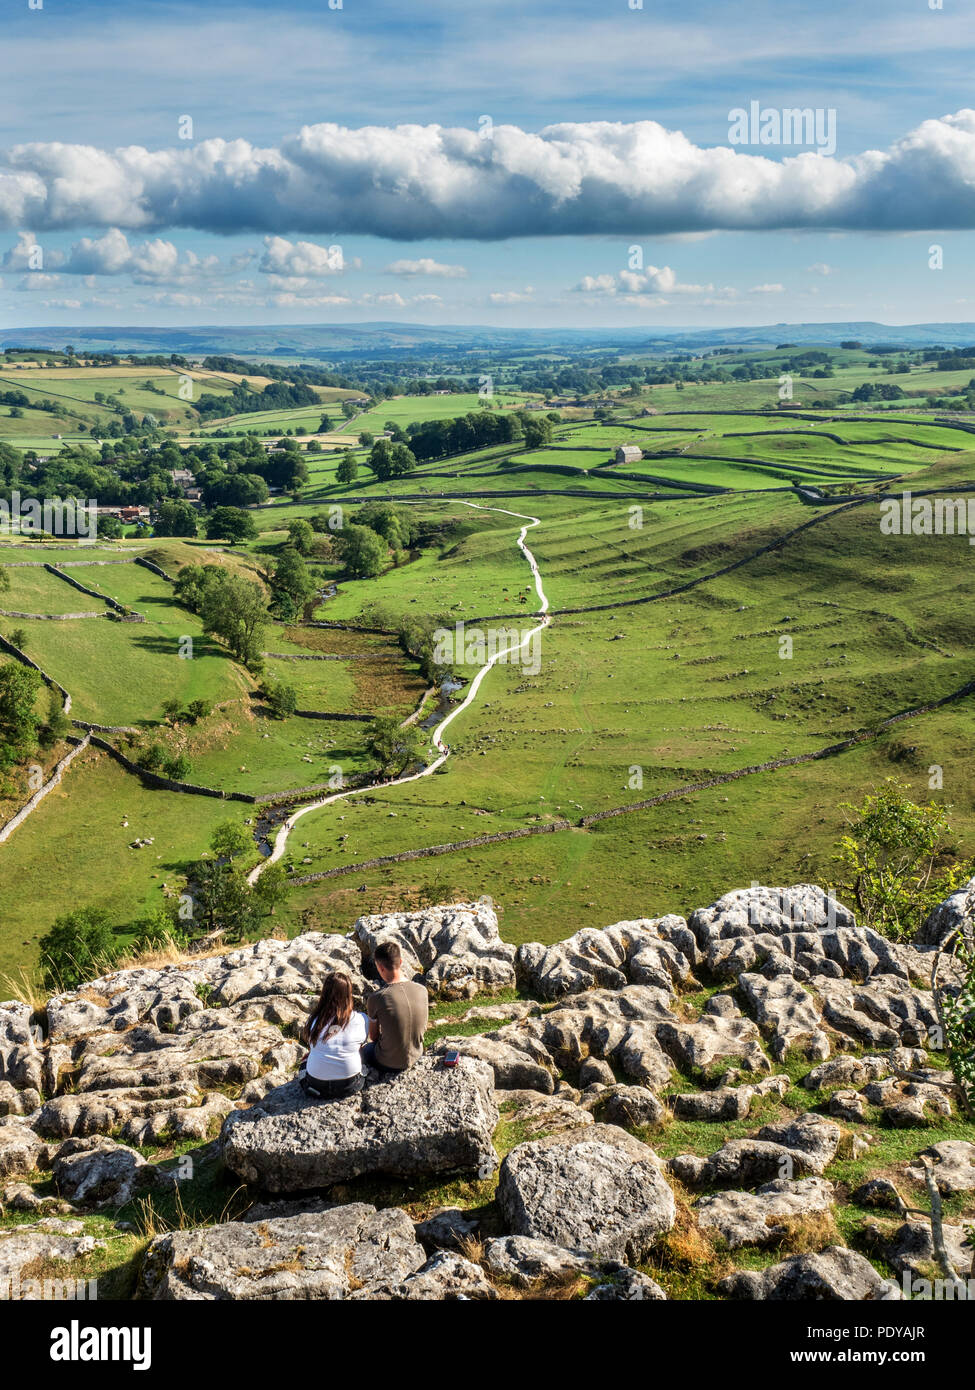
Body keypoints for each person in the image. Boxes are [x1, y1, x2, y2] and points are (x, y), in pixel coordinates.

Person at [362, 940, 428, 1080]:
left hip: (388, 1062)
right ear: (401, 962)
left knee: (365, 1050)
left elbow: (373, 1037)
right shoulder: (422, 990)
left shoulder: (377, 998)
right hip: (417, 1054)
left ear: (380, 968)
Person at [297, 971, 366, 1101]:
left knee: (303, 1064)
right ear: (348, 994)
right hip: (349, 1084)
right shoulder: (360, 1019)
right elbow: (360, 1045)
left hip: (316, 1085)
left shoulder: (313, 1020)